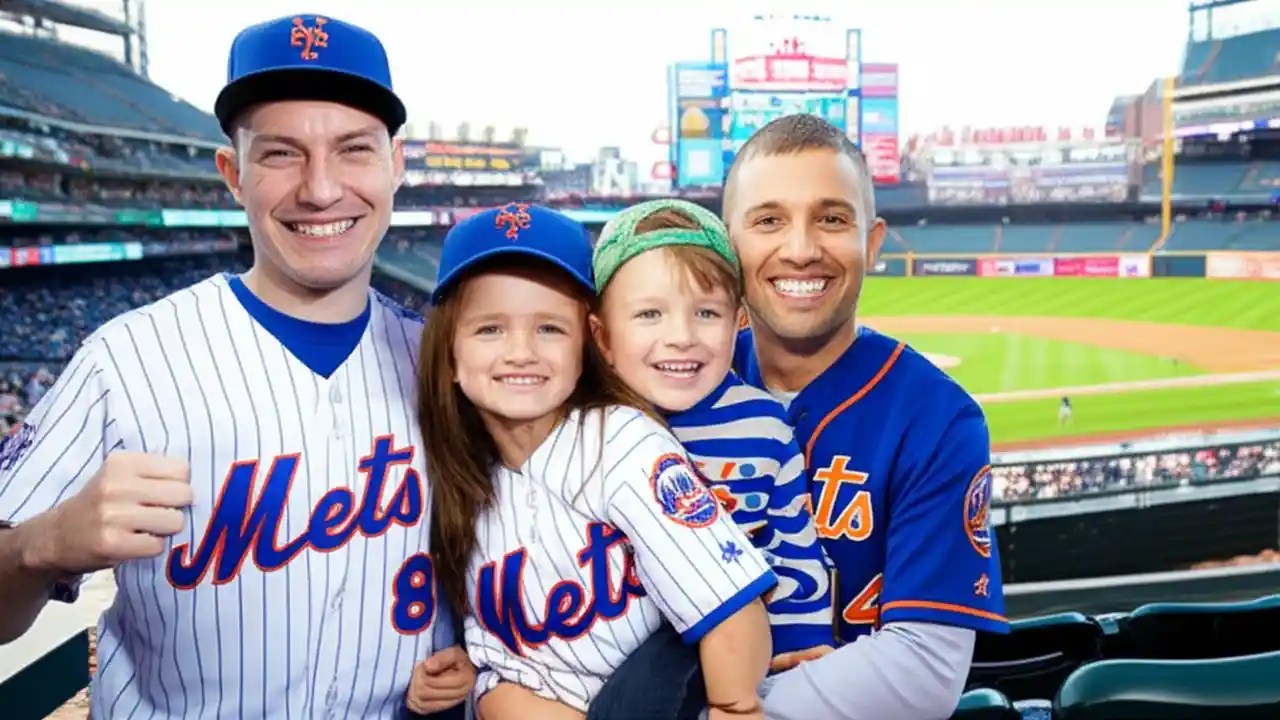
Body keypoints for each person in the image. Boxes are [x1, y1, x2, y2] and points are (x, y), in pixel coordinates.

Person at [0, 13, 469, 719]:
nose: (319, 189)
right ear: (232, 173)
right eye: (281, 153)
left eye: (353, 150)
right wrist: (44, 543)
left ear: (395, 166)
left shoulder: (447, 367)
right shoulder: (124, 361)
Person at [412, 203, 777, 720]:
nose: (521, 351)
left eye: (550, 330)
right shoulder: (464, 486)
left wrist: (734, 708)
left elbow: (730, 602)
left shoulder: (623, 443)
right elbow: (501, 677)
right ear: (449, 354)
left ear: (590, 342)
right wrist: (462, 677)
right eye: (490, 329)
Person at [723, 114, 1010, 720]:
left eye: (831, 218)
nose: (800, 249)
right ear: (729, 244)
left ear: (872, 243)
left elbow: (923, 671)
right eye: (768, 219)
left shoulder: (938, 419)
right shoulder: (675, 384)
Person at [584, 198, 833, 717]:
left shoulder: (763, 425)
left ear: (738, 320)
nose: (681, 336)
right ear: (602, 335)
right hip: (604, 677)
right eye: (649, 313)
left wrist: (801, 639)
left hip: (740, 672)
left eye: (707, 312)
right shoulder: (581, 427)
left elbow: (793, 542)